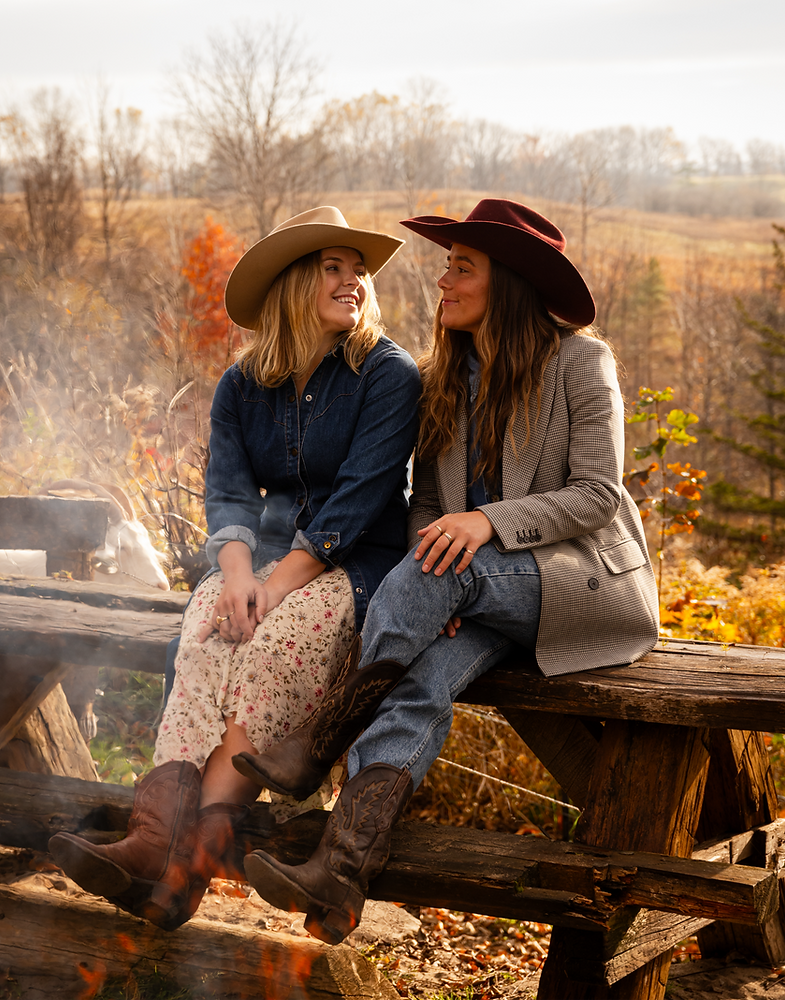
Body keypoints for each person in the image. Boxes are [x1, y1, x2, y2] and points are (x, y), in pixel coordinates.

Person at [236, 198, 660, 944]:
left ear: (509, 283)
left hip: (580, 585)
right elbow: (428, 504)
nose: (443, 280)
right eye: (447, 266)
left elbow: (599, 495)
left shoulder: (580, 363)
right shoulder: (443, 375)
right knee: (421, 681)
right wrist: (444, 574)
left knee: (438, 572)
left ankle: (317, 744)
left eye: (462, 267)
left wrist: (485, 525)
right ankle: (341, 870)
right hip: (475, 591)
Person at [48, 206, 421, 930]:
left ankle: (177, 862)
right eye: (333, 268)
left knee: (273, 647)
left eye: (358, 271)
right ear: (292, 284)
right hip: (262, 556)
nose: (353, 282)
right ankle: (160, 841)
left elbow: (362, 495)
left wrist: (277, 586)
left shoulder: (387, 374)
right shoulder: (242, 383)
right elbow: (227, 488)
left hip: (355, 564)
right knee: (204, 638)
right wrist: (240, 570)